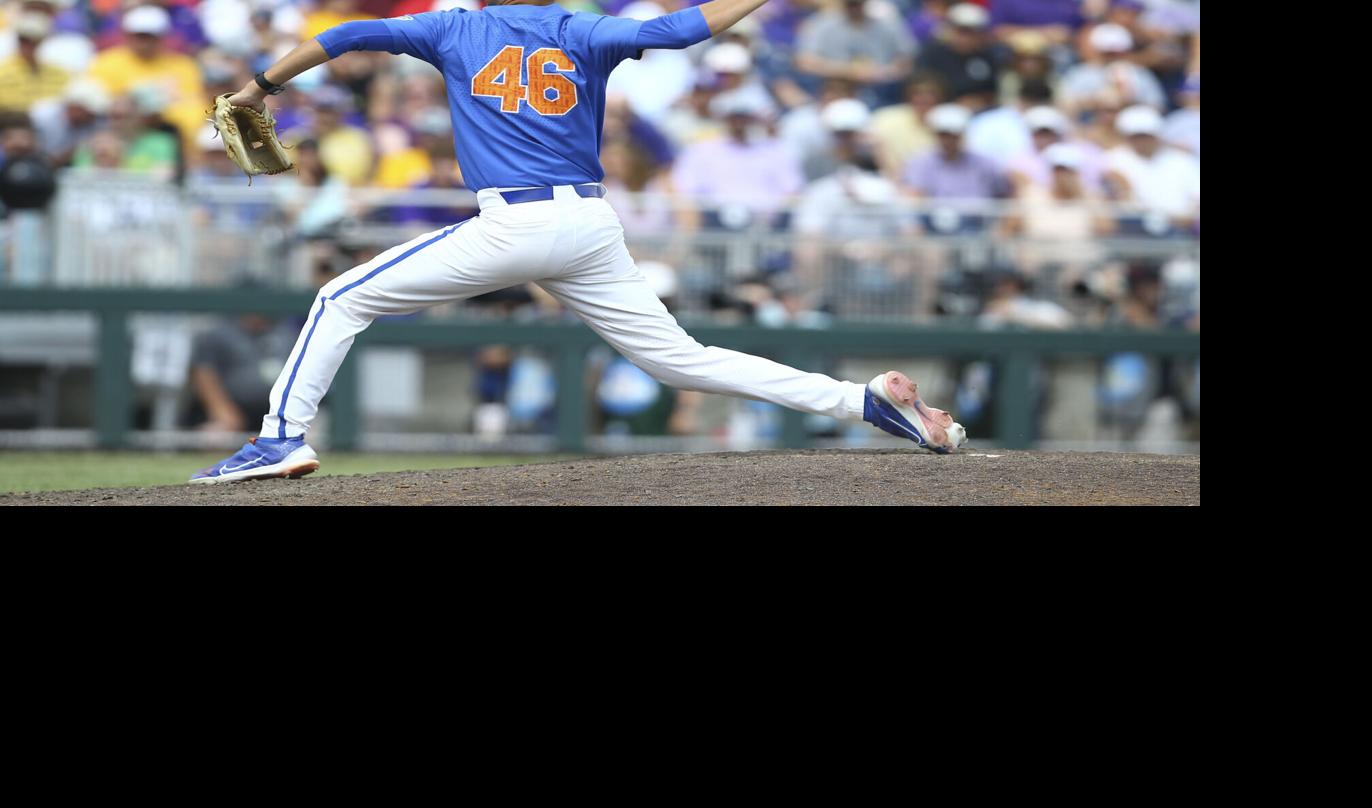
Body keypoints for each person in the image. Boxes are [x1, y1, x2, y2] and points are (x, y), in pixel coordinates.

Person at [190, 0, 964, 484]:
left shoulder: (453, 26)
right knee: (677, 360)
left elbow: (348, 33)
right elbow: (681, 27)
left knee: (338, 296)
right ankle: (862, 402)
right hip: (590, 226)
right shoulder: (579, 27)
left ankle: (278, 439)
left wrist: (262, 86)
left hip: (516, 222)